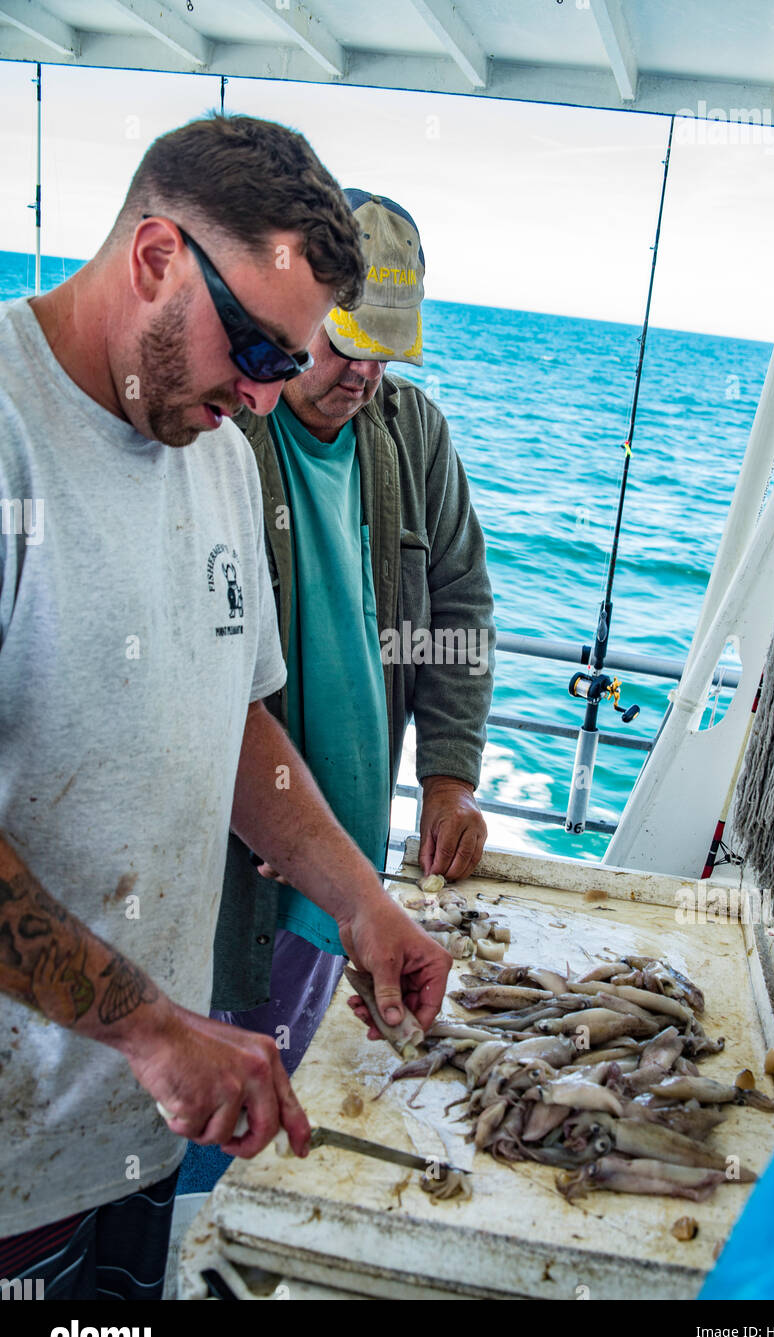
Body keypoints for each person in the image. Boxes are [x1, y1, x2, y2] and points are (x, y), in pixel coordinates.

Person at [0, 117, 450, 1300]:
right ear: (154, 255)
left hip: (143, 1126)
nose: (262, 395)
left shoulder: (219, 452)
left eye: (285, 365)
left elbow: (238, 724)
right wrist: (153, 1029)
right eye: (252, 344)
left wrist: (362, 904)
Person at [210, 190, 495, 1077]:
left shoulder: (416, 432)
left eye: (389, 353)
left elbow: (460, 608)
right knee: (208, 1105)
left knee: (303, 1097)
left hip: (353, 873)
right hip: (232, 876)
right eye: (345, 345)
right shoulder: (217, 430)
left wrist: (447, 782)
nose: (365, 375)